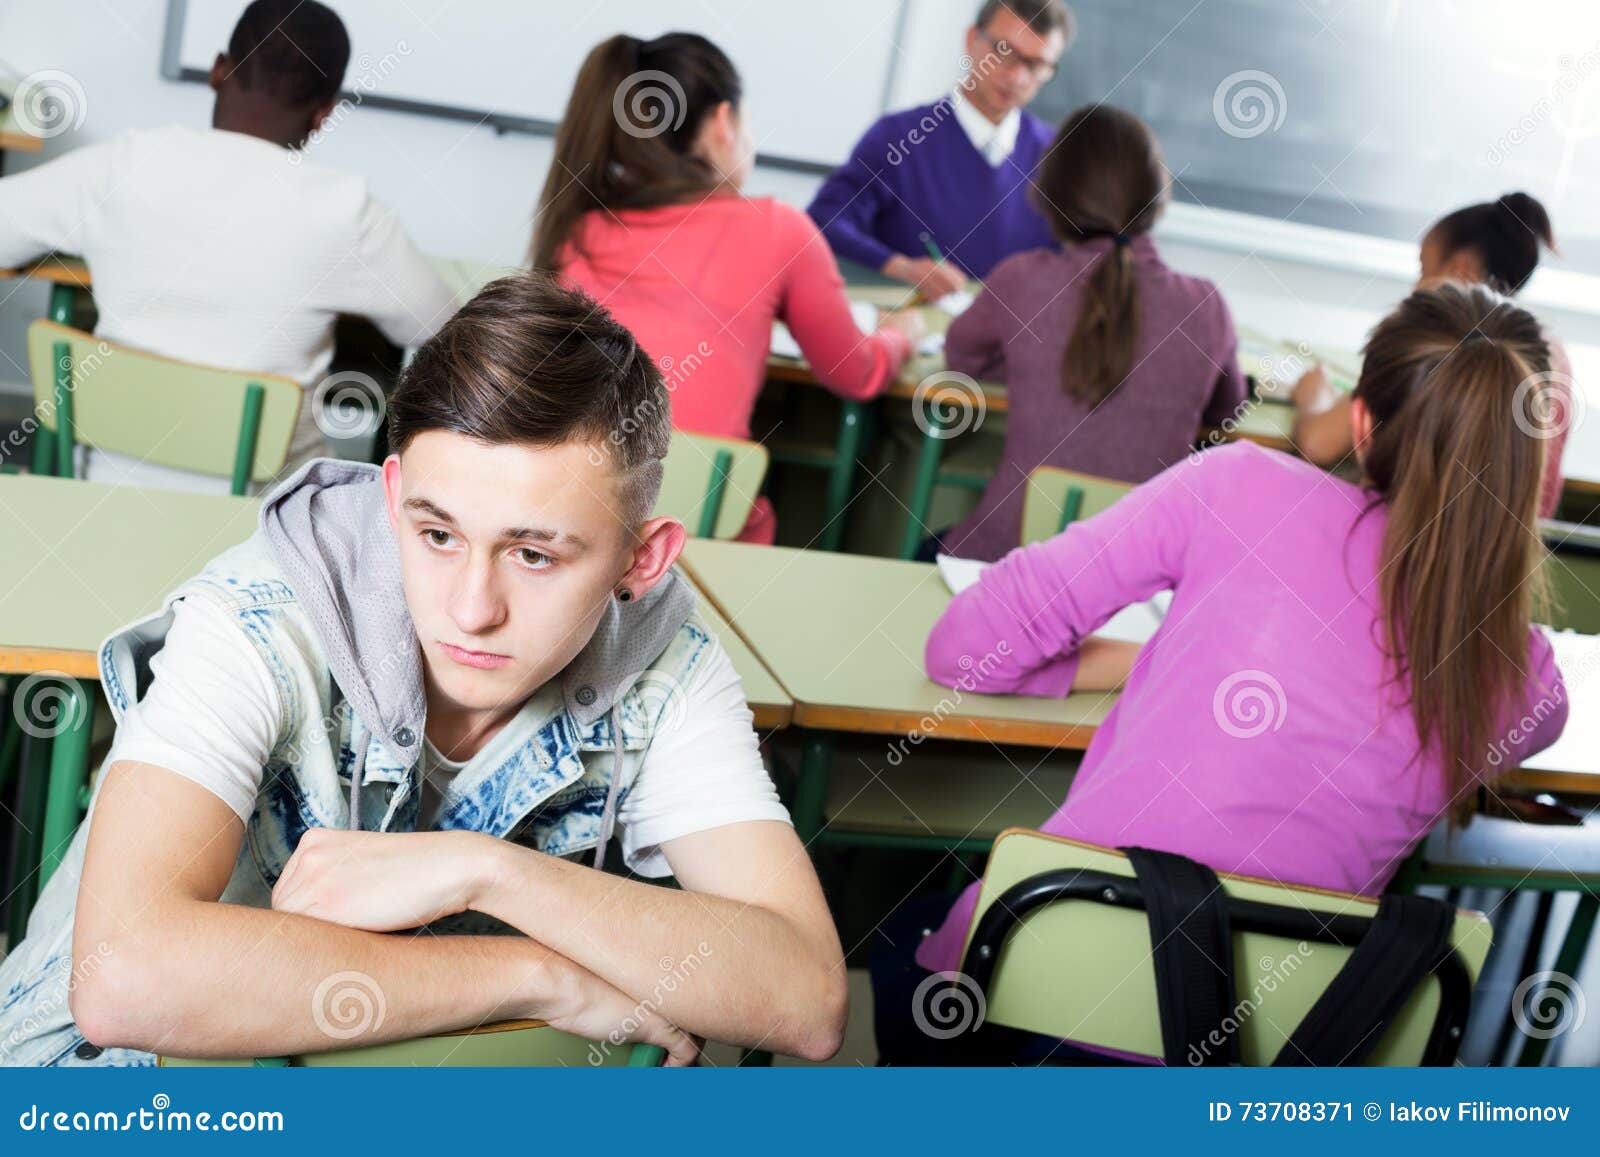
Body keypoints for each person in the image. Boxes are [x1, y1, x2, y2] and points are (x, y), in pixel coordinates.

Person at [0, 274, 846, 1068]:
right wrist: (534, 972)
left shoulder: (669, 660)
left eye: (534, 553)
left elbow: (805, 998)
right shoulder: (260, 615)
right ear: (393, 496)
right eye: (437, 534)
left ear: (640, 558)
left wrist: (487, 867)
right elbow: (123, 981)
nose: (472, 607)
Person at [880, 283, 1568, 1064]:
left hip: (1034, 1020)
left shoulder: (1239, 485)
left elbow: (961, 647)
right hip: (1270, 1064)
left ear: (1362, 421)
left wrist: (1150, 658)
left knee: (907, 933)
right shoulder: (1528, 681)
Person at [0, 0, 455, 493]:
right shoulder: (349, 212)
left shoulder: (124, 165)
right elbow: (443, 328)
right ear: (324, 113)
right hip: (267, 518)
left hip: (104, 488)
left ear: (218, 70)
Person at [531, 32, 920, 544]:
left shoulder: (575, 229)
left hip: (568, 530)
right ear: (721, 123)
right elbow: (856, 374)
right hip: (707, 539)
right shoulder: (779, 230)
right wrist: (901, 334)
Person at [933, 104, 1246, 562]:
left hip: (1007, 560)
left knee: (926, 546)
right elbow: (1228, 410)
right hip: (1138, 578)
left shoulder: (1019, 281)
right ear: (1159, 198)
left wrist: (1027, 364)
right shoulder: (1205, 306)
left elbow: (961, 359)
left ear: (1046, 195)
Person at [1291, 193, 1572, 517]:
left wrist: (1311, 398)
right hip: (1504, 550)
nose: (1415, 288)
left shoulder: (1443, 343)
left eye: (1424, 269)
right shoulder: (1547, 349)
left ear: (1460, 271)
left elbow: (1317, 443)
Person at [807, 0, 1072, 296]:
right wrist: (900, 267)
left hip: (1018, 338)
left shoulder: (1059, 157)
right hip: (912, 329)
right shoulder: (898, 137)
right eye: (1004, 52)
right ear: (972, 39)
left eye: (1036, 65)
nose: (1017, 77)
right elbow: (825, 221)